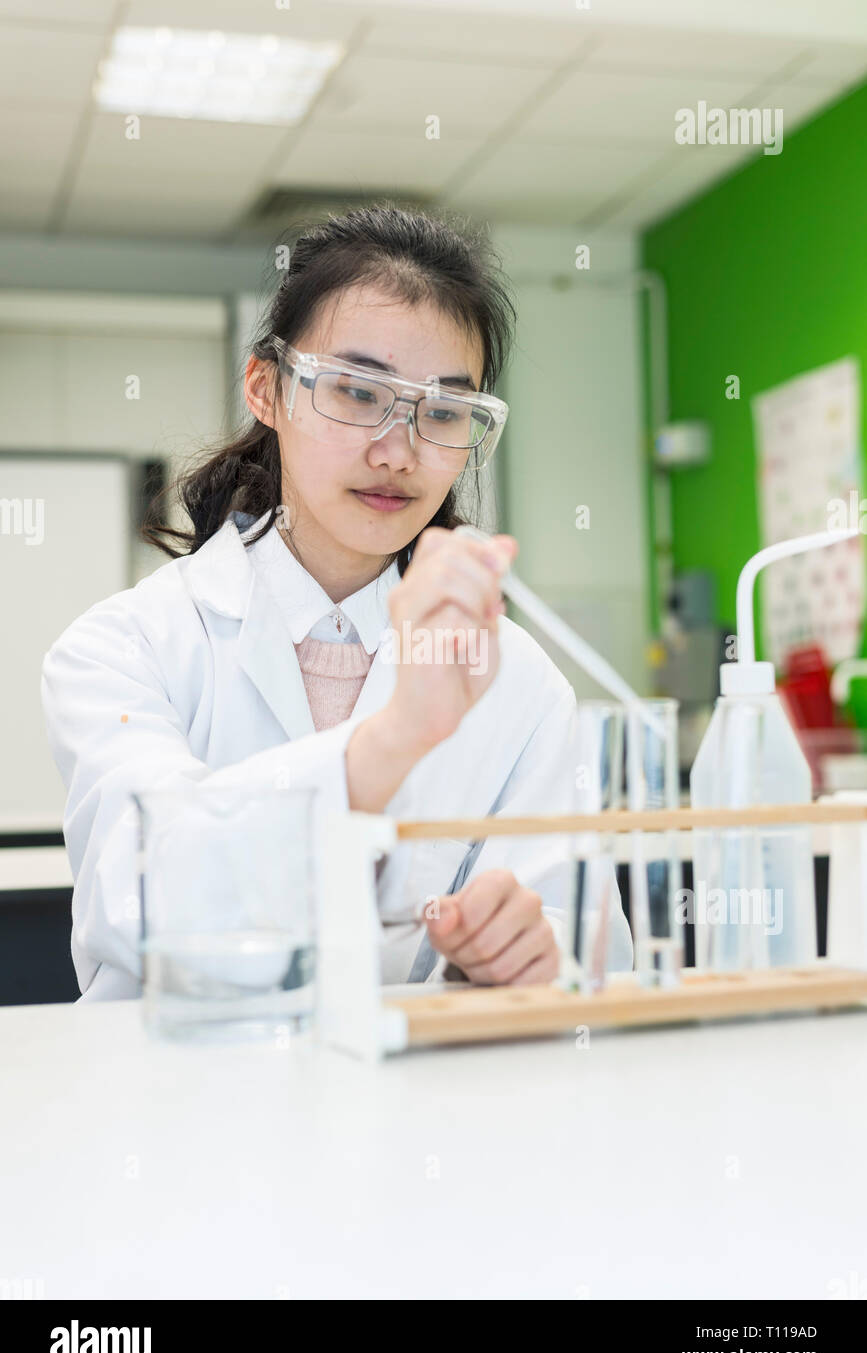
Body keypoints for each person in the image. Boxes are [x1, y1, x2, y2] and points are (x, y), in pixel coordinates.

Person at [41, 202, 633, 1002]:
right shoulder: (126, 647)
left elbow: (591, 949)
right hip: (186, 1110)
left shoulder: (519, 680)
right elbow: (142, 905)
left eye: (445, 410)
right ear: (267, 389)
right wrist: (389, 743)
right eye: (356, 392)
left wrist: (522, 951)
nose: (399, 450)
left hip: (426, 1111)